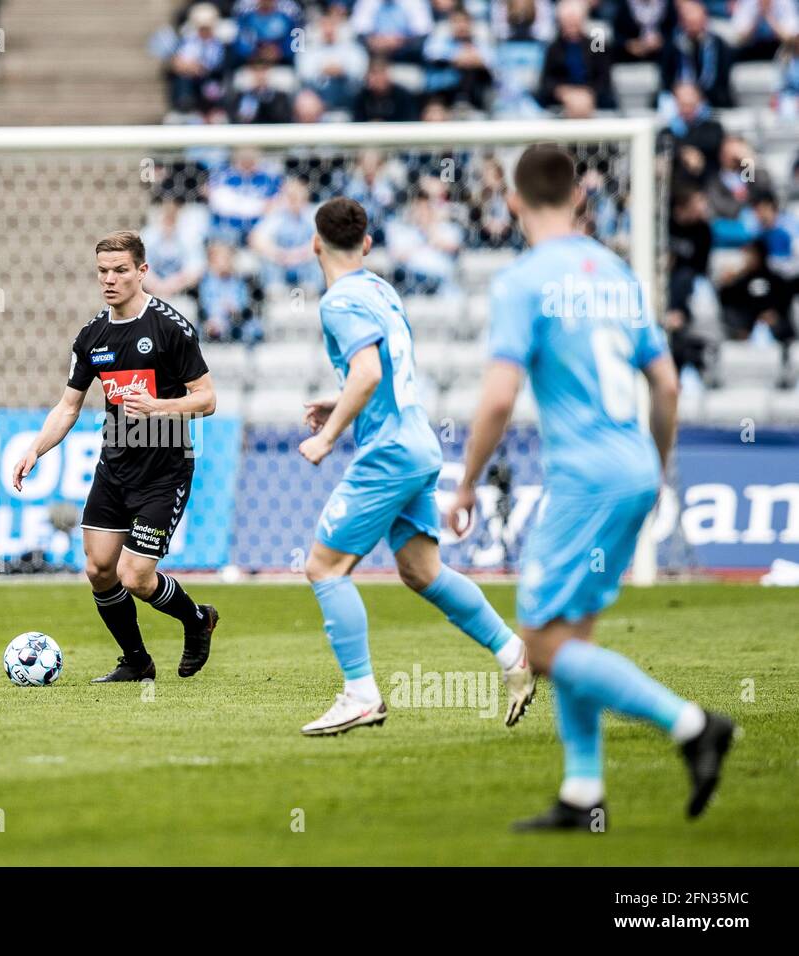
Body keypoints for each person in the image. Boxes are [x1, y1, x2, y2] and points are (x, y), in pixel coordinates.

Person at [448, 144, 735, 831]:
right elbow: (665, 383)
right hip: (635, 463)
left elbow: (495, 399)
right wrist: (655, 463)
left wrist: (465, 485)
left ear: (514, 202)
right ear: (580, 197)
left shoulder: (522, 281)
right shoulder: (616, 271)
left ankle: (693, 725)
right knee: (572, 633)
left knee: (542, 648)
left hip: (584, 479)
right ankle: (583, 793)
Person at [295, 197, 534, 737]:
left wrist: (329, 436)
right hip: (418, 440)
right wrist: (340, 403)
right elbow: (387, 371)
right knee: (421, 571)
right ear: (367, 244)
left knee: (323, 567)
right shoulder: (382, 290)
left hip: (389, 452)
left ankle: (360, 695)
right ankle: (512, 650)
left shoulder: (338, 301)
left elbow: (368, 372)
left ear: (315, 243)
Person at [11, 231, 221, 683]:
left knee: (136, 577)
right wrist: (35, 449)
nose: (110, 279)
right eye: (103, 271)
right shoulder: (92, 335)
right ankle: (137, 661)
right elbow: (68, 406)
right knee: (99, 568)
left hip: (165, 467)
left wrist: (160, 407)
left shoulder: (170, 327)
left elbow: (207, 399)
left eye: (120, 270)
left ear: (142, 271)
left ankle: (197, 619)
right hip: (115, 466)